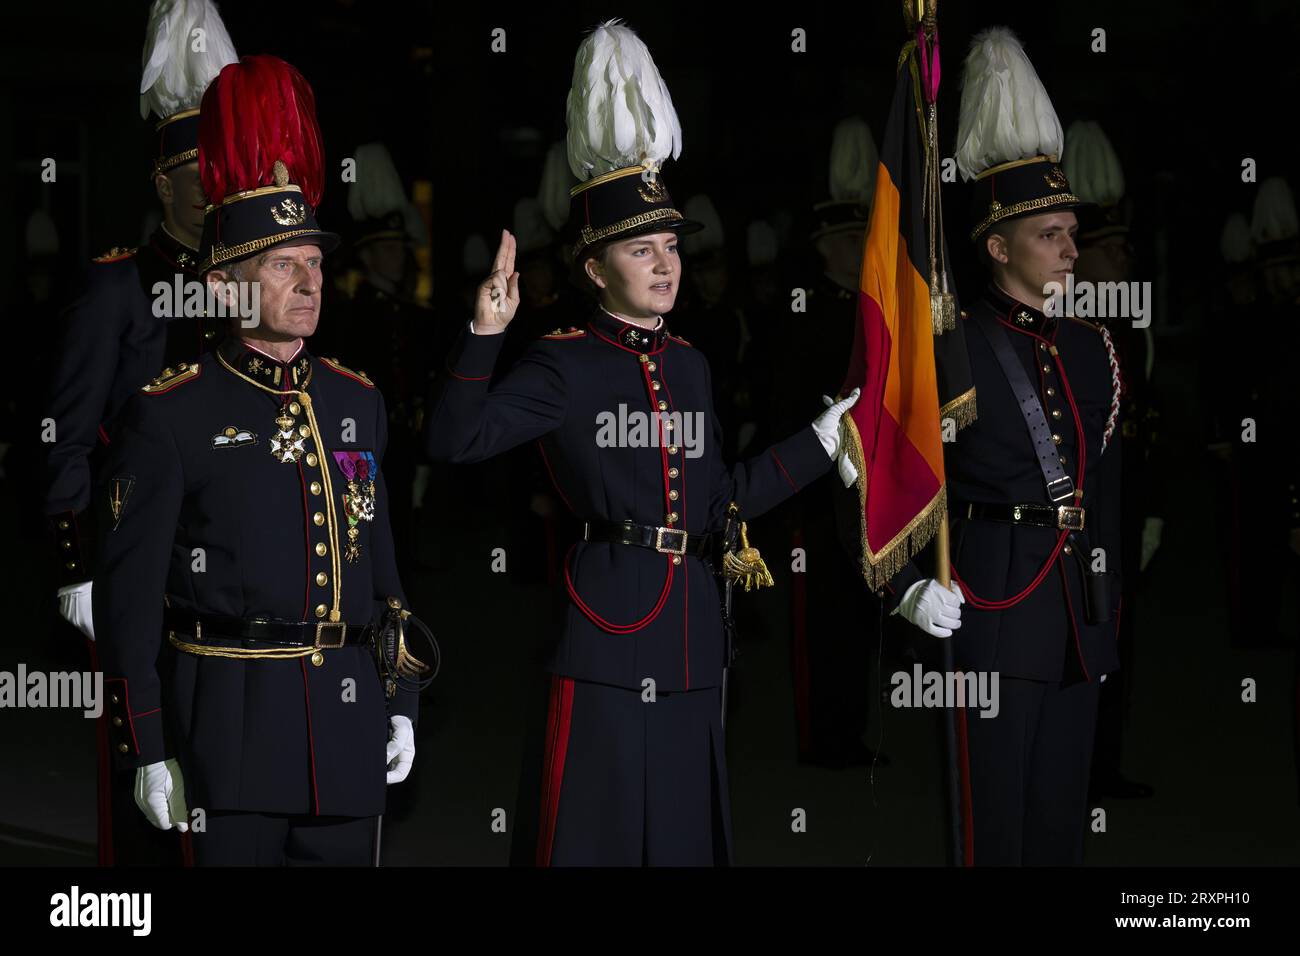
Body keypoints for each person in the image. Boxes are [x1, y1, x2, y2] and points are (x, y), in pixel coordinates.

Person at [425, 20, 859, 865]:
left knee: (684, 841)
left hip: (696, 634)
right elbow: (455, 439)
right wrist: (484, 334)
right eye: (640, 249)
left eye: (669, 247)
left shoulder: (691, 366)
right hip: (607, 632)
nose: (665, 265)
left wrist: (817, 443)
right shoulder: (563, 365)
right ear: (594, 267)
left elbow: (720, 500)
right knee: (595, 836)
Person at [92, 54, 419, 866]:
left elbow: (381, 567)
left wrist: (402, 697)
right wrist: (148, 744)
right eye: (284, 265)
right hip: (228, 741)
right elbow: (128, 606)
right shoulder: (171, 414)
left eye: (313, 263)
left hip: (345, 734)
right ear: (228, 282)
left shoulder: (355, 402)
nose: (309, 282)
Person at [884, 28, 1124, 865]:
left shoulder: (1092, 346)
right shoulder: (953, 347)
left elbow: (1108, 494)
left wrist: (1105, 611)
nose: (1070, 249)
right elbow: (891, 478)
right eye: (1050, 235)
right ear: (995, 246)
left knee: (1059, 829)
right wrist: (908, 583)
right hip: (989, 614)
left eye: (1071, 231)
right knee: (992, 833)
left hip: (1073, 622)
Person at [42, 0, 237, 866]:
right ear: (164, 182)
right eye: (205, 172)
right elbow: (67, 431)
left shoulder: (249, 284)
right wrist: (75, 561)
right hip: (135, 557)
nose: (220, 187)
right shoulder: (117, 288)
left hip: (228, 553)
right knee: (147, 771)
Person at [1061, 119, 1157, 801]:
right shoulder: (1064, 332)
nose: (1124, 261)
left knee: (1117, 642)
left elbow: (1146, 429)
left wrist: (1150, 511)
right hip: (1075, 521)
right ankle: (1073, 769)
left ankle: (1102, 767)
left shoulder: (1128, 327)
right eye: (1111, 248)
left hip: (1120, 516)